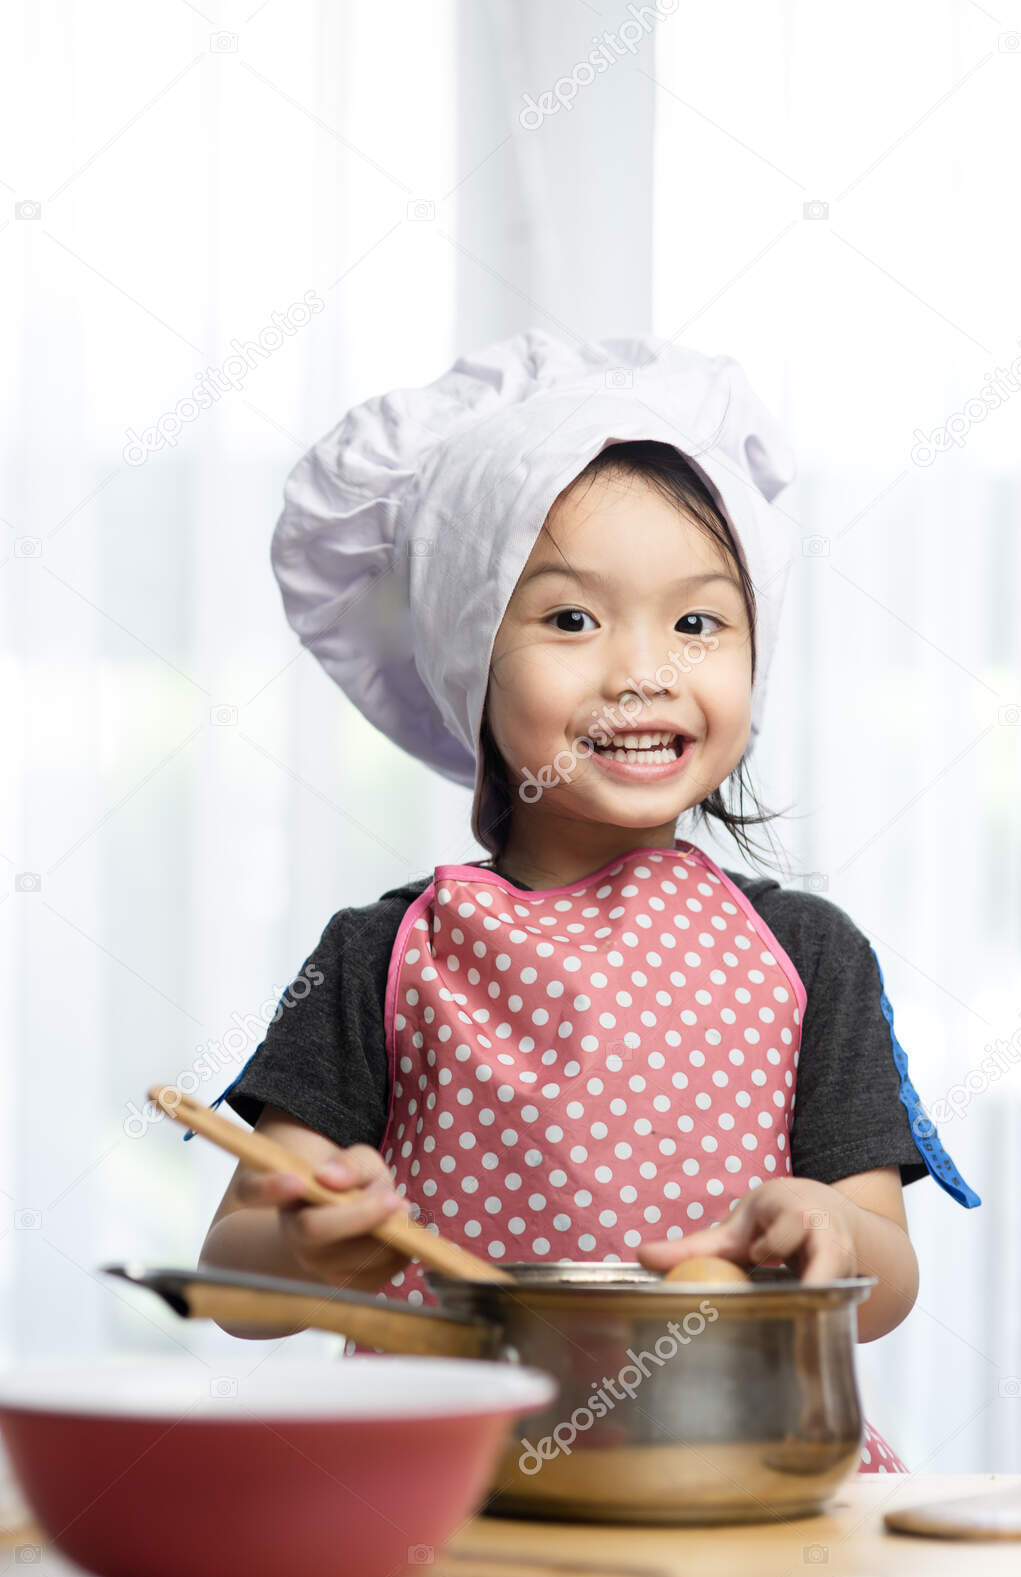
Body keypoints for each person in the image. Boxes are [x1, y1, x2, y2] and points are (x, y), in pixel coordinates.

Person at [195, 329, 980, 1476]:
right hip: (456, 1495)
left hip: (745, 1474)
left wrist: (828, 1225)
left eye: (699, 621)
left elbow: (886, 1280)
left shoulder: (809, 950)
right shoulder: (382, 954)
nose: (643, 670)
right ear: (472, 654)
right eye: (571, 619)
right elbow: (232, 1274)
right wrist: (316, 1249)